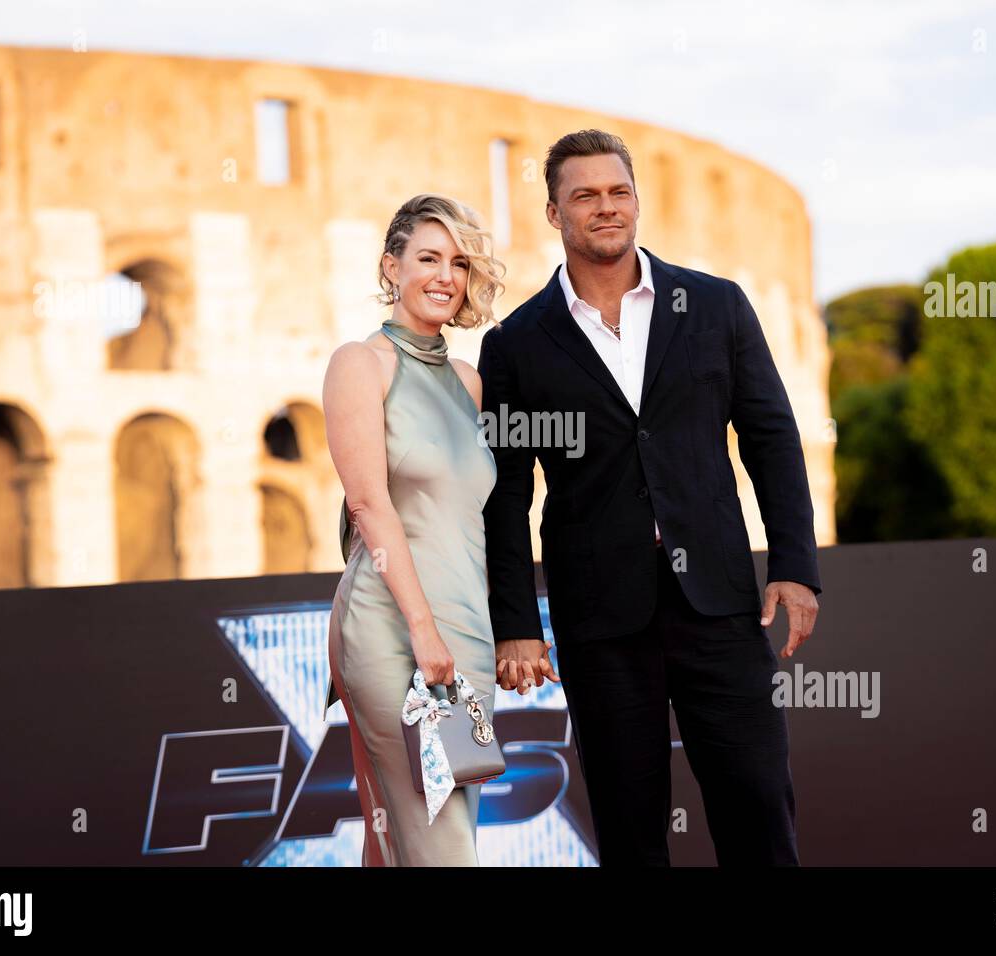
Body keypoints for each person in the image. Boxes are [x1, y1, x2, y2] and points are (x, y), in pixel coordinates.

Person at [479, 129, 822, 866]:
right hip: (601, 621)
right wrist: (514, 623)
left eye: (618, 192)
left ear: (636, 199)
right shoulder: (517, 343)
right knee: (631, 833)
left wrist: (793, 564)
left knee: (760, 811)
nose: (606, 208)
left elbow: (771, 438)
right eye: (585, 196)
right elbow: (505, 493)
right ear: (554, 213)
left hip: (721, 608)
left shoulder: (715, 306)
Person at [320, 193, 506, 866]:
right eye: (427, 257)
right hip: (395, 629)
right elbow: (369, 506)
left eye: (459, 262)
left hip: (466, 637)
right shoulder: (360, 365)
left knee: (399, 840)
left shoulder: (467, 381)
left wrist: (464, 636)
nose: (445, 276)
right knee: (441, 842)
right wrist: (424, 632)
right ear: (390, 266)